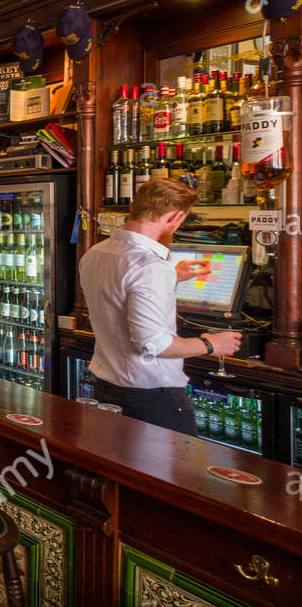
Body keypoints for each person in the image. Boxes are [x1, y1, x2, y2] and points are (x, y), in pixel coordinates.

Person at [79, 178, 242, 435]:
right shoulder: (150, 266)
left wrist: (173, 277)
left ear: (134, 205)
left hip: (105, 387)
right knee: (171, 475)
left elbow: (117, 294)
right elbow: (153, 344)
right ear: (176, 217)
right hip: (151, 399)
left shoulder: (96, 252)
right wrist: (211, 345)